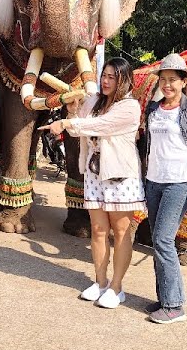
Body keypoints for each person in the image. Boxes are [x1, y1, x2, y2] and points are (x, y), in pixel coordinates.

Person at [43, 57, 144, 309]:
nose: (106, 81)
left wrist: (67, 123)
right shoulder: (95, 101)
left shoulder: (130, 107)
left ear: (124, 80)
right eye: (104, 76)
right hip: (94, 174)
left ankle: (117, 287)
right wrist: (72, 111)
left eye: (112, 77)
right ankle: (100, 282)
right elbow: (81, 128)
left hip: (120, 177)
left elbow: (100, 125)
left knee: (120, 232)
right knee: (98, 230)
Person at [139, 53, 187, 324]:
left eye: (173, 80)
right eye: (163, 80)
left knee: (164, 240)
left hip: (179, 182)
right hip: (154, 180)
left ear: (183, 82)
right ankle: (165, 297)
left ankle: (175, 305)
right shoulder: (153, 109)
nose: (167, 85)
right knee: (157, 238)